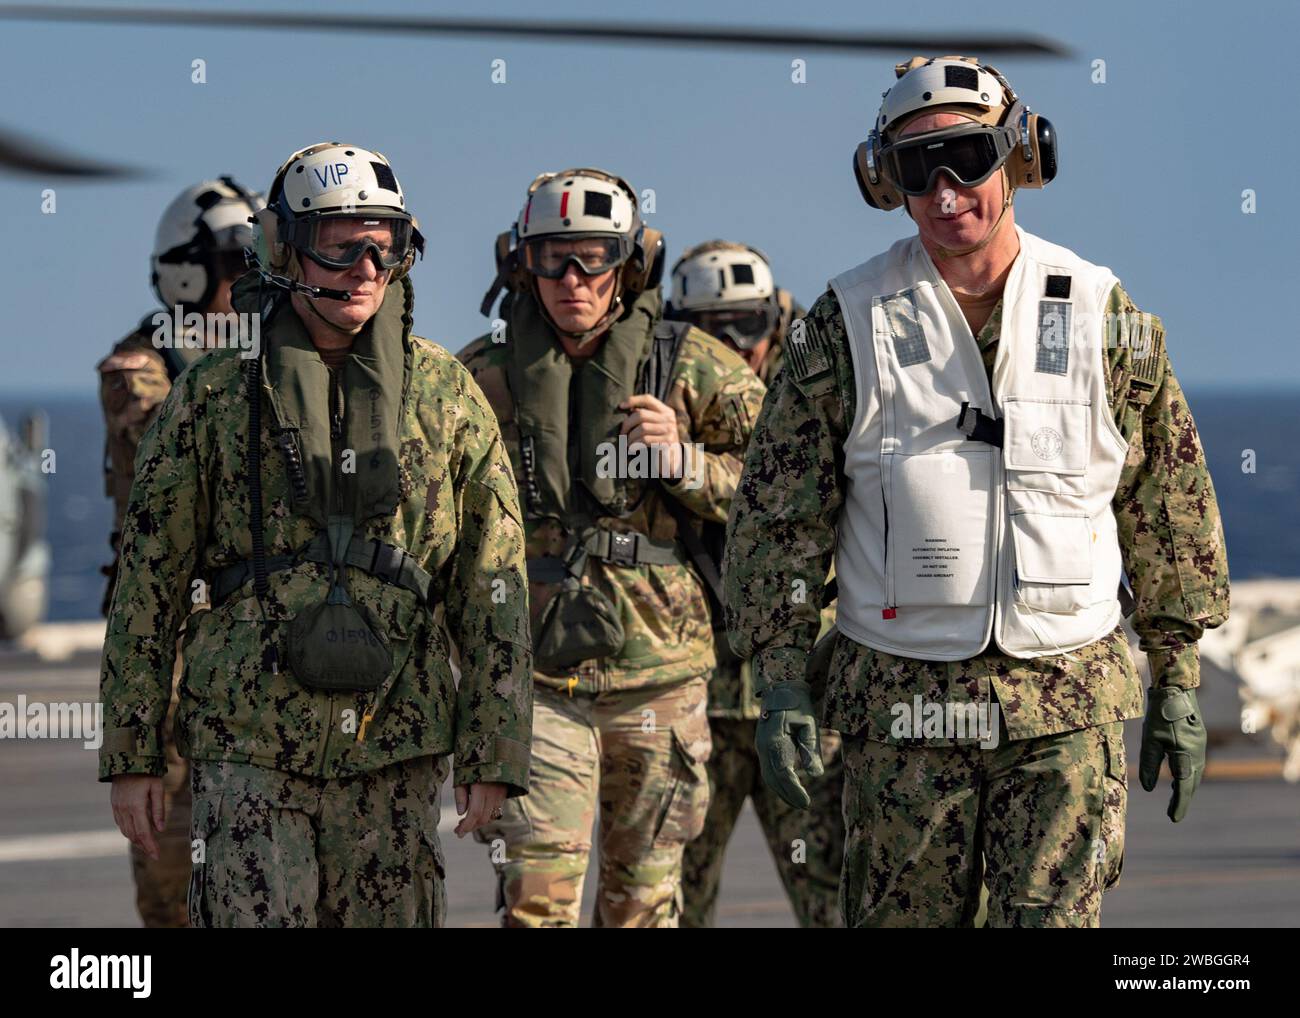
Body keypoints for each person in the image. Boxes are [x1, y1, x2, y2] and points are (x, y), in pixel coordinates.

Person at [724, 56, 1230, 927]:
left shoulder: (1102, 313)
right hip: (903, 711)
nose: (947, 189)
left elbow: (1165, 502)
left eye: (968, 156)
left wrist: (1178, 674)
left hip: (1065, 707)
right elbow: (778, 518)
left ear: (1020, 156)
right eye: (920, 168)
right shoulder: (846, 324)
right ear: (887, 179)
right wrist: (779, 682)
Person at [100, 142, 532, 927]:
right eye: (341, 246)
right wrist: (132, 755)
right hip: (249, 750)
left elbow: (492, 585)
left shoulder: (447, 393)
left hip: (396, 748)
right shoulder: (213, 398)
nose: (366, 267)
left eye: (385, 244)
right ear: (286, 249)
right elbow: (147, 584)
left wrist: (496, 751)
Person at [461, 168, 765, 926]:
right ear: (521, 263)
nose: (572, 279)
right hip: (536, 682)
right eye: (552, 257)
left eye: (592, 256)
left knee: (644, 907)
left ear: (629, 264)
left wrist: (686, 463)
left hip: (660, 682)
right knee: (535, 902)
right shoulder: (481, 377)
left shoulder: (694, 367)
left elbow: (786, 488)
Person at [96, 175, 262, 927]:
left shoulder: (270, 361)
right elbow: (187, 469)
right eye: (236, 271)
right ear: (187, 273)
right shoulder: (139, 371)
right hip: (170, 666)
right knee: (172, 894)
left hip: (256, 662)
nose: (249, 289)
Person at [667, 240, 843, 928]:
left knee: (831, 889)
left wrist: (687, 468)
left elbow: (792, 498)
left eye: (745, 324)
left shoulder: (817, 392)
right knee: (670, 894)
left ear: (775, 318)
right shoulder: (653, 397)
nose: (731, 348)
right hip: (692, 698)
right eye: (710, 330)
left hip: (798, 693)